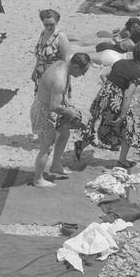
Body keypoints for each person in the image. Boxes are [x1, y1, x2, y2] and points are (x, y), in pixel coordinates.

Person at [30, 53, 91, 188]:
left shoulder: (62, 64)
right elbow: (54, 106)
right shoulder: (60, 79)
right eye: (83, 71)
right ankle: (38, 179)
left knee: (64, 134)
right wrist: (70, 112)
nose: (83, 74)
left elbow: (60, 96)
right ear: (76, 67)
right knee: (47, 147)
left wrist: (72, 106)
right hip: (43, 112)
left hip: (47, 107)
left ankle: (56, 165)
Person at [85, 43, 140, 169]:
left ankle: (80, 146)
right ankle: (122, 160)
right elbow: (128, 96)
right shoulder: (138, 74)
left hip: (102, 96)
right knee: (129, 128)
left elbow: (103, 75)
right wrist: (122, 115)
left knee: (96, 123)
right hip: (115, 100)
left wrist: (109, 90)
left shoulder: (120, 62)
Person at [31, 9, 72, 93]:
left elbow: (66, 63)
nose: (49, 27)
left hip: (54, 81)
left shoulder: (61, 37)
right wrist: (34, 71)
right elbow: (40, 57)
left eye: (52, 24)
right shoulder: (43, 33)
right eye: (46, 25)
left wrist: (65, 86)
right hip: (41, 78)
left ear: (57, 22)